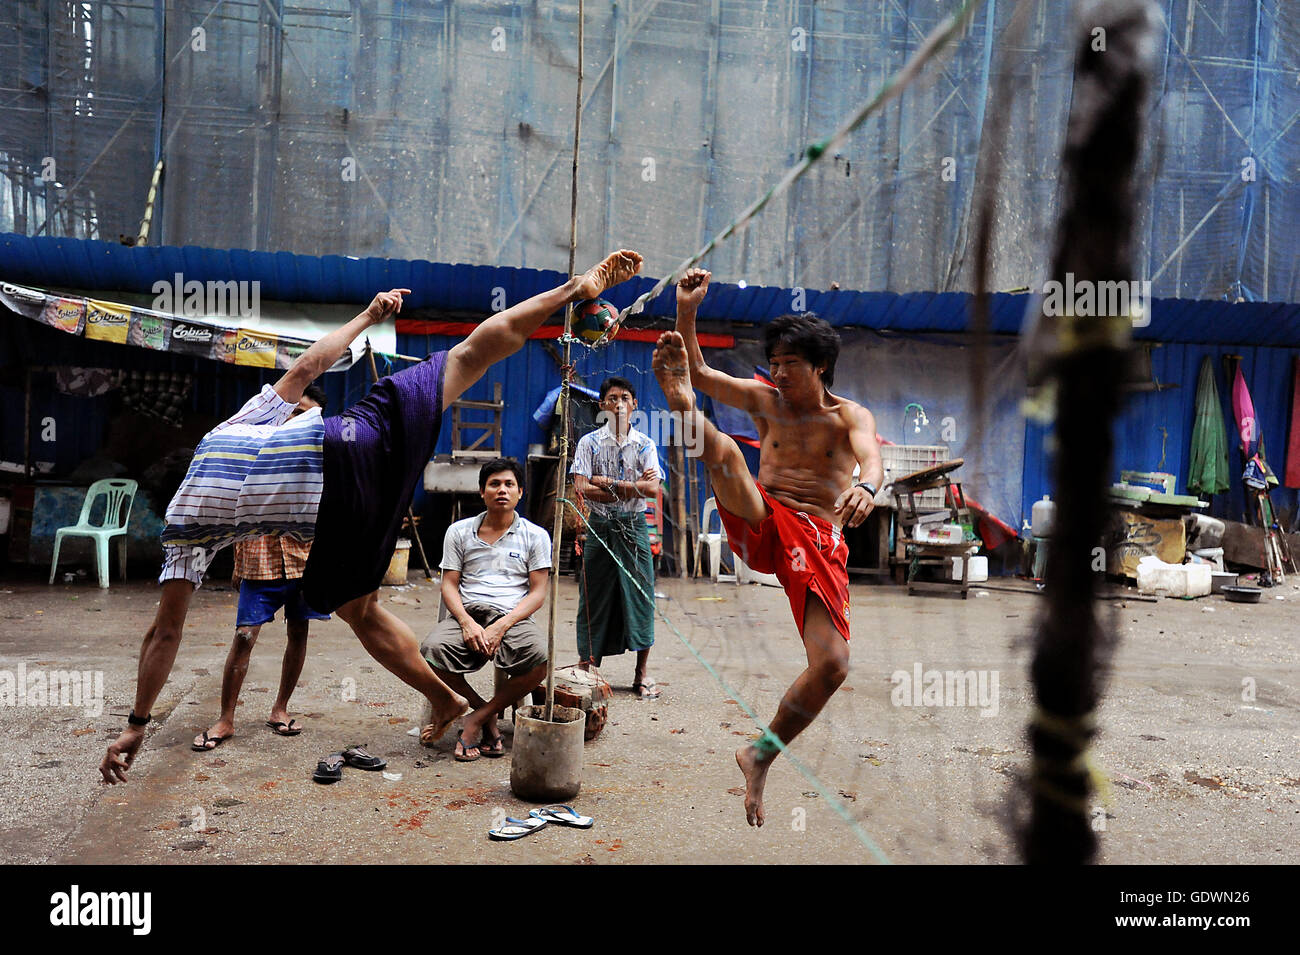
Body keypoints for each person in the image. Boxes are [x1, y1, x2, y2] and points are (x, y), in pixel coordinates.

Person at [100, 249, 644, 784]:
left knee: (360, 612)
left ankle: (447, 700)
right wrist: (368, 316)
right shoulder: (227, 430)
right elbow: (311, 365)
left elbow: (164, 635)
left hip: (335, 512)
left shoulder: (183, 528)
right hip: (353, 441)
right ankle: (572, 290)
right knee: (468, 356)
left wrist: (136, 724)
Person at [654, 267, 883, 827]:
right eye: (773, 362)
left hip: (818, 538)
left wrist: (868, 485)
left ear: (820, 366)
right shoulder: (764, 398)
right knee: (727, 451)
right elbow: (703, 369)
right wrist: (688, 308)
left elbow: (872, 458)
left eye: (790, 364)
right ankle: (681, 406)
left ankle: (760, 753)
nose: (778, 373)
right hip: (762, 516)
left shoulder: (850, 415)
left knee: (832, 665)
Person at [192, 383, 329, 752]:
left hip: (304, 561)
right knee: (243, 637)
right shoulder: (250, 446)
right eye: (290, 411)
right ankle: (225, 719)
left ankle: (280, 709)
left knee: (298, 633)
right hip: (259, 562)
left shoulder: (318, 458)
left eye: (303, 414)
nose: (293, 419)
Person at [420, 458, 550, 761]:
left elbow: (538, 591)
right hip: (469, 612)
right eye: (494, 484)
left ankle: (477, 717)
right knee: (430, 651)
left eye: (509, 485)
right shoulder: (459, 531)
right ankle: (482, 709)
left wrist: (502, 624)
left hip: (512, 615)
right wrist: (465, 622)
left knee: (541, 658)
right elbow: (449, 584)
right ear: (482, 492)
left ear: (521, 493)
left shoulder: (536, 535)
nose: (501, 490)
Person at [570, 376, 663, 698]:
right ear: (602, 405)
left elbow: (653, 489)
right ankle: (586, 666)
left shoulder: (645, 445)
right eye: (612, 398)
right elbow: (580, 486)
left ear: (634, 404)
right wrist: (630, 485)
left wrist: (608, 483)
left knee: (641, 596)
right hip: (600, 525)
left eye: (625, 397)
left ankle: (642, 673)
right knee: (592, 596)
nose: (619, 403)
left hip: (634, 525)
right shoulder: (589, 443)